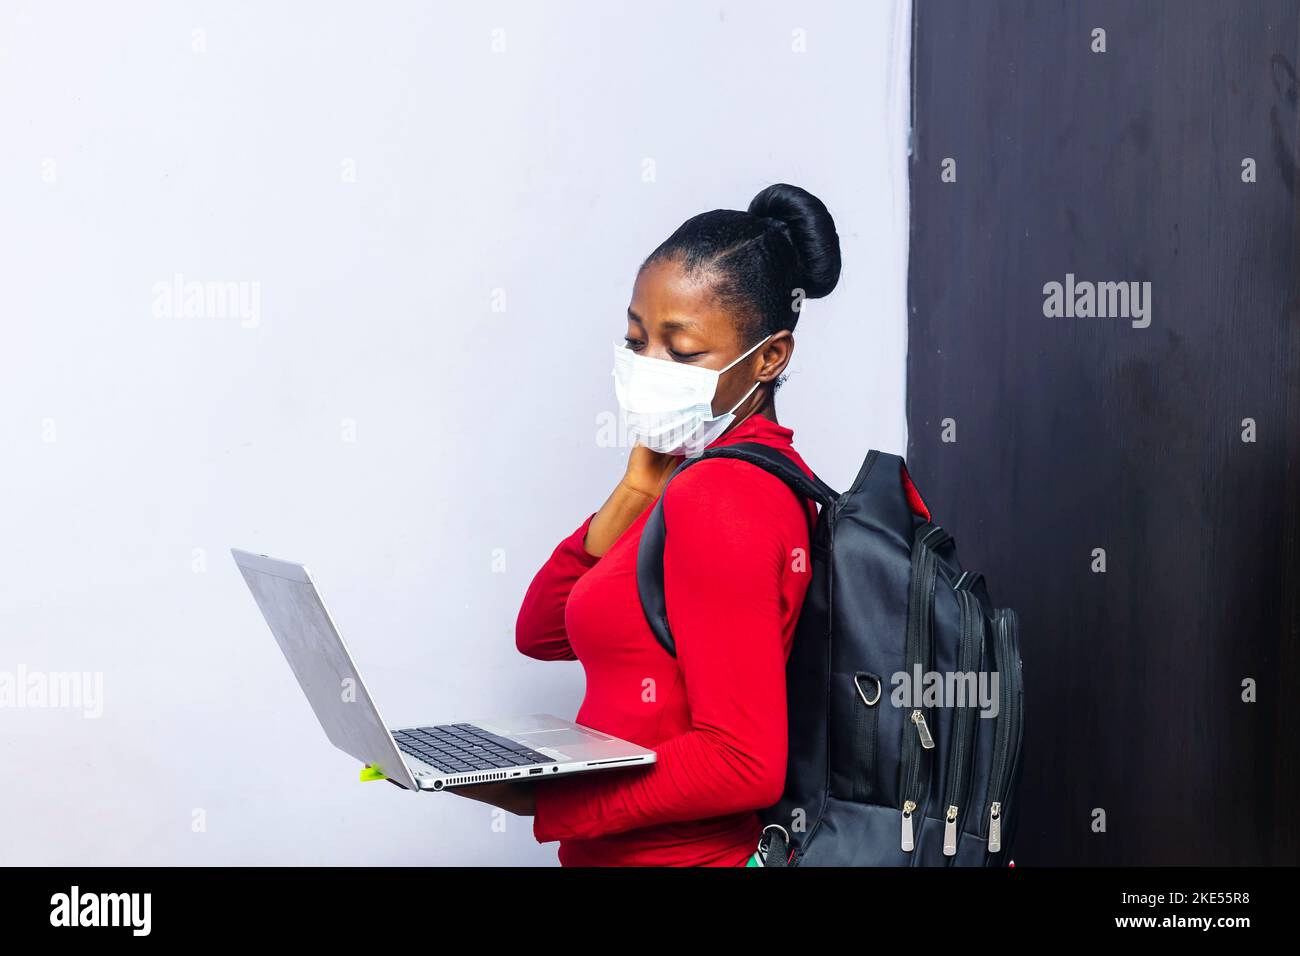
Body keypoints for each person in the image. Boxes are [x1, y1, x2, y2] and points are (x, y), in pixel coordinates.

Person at [455, 183, 842, 866]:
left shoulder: (724, 496)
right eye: (636, 340)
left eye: (682, 351)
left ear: (769, 358)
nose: (646, 370)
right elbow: (543, 631)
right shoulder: (693, 482)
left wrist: (550, 802)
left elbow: (743, 762)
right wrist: (637, 487)